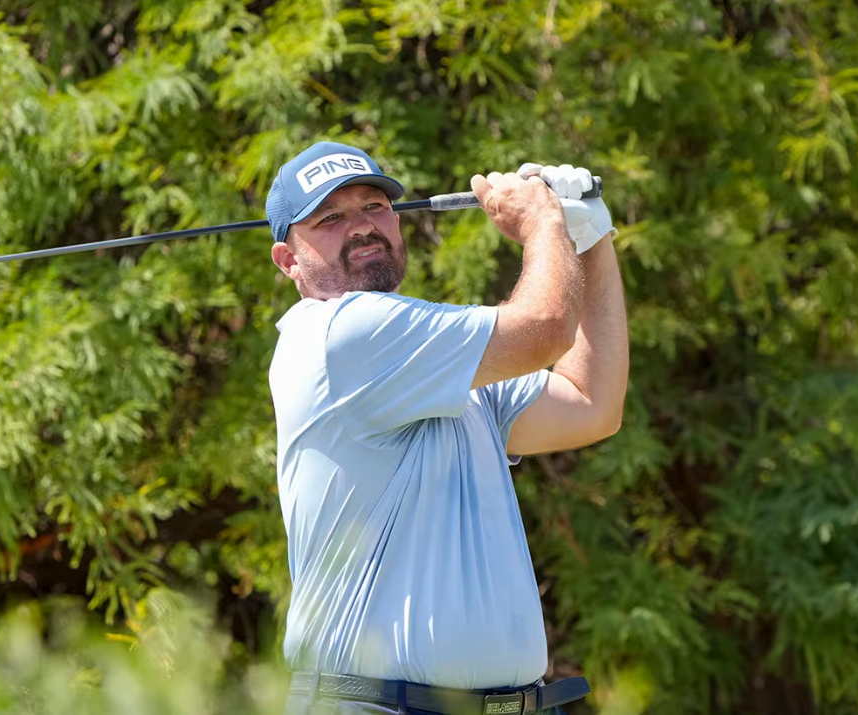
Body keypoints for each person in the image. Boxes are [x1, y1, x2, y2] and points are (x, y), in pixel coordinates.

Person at [265, 141, 629, 715]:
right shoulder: (341, 335)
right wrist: (542, 224)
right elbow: (545, 329)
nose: (361, 227)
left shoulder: (428, 358)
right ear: (288, 261)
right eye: (330, 218)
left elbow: (591, 403)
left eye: (374, 207)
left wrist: (591, 240)